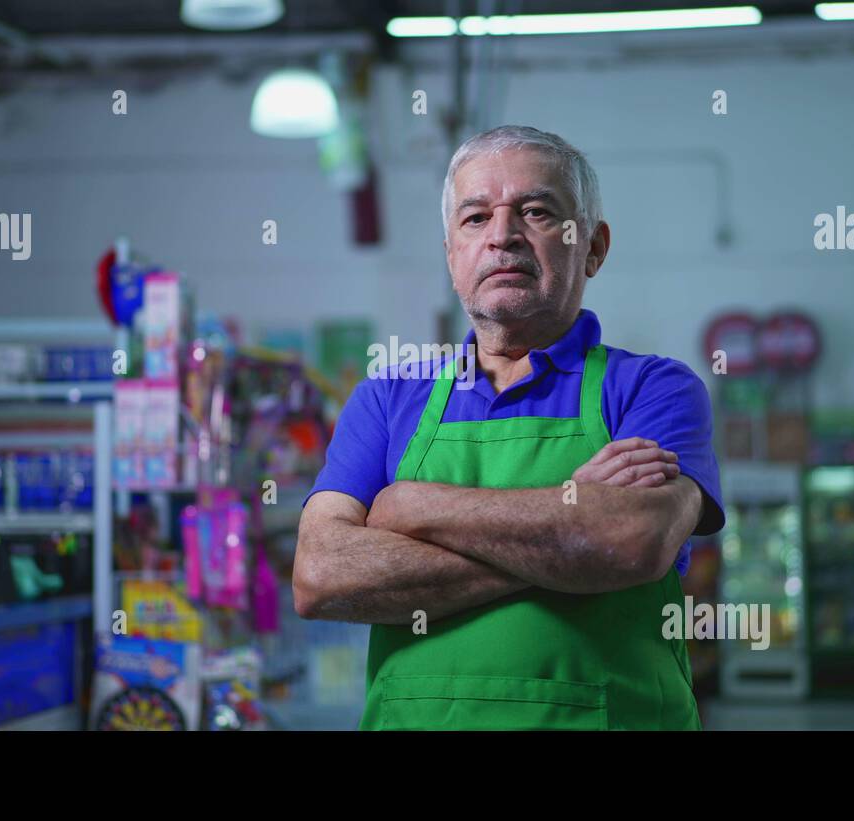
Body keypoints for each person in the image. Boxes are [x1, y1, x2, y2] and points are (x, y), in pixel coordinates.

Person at [294, 125, 725, 730]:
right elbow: (321, 576)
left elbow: (632, 542)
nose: (502, 235)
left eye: (536, 211)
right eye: (475, 218)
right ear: (452, 256)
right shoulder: (387, 398)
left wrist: (412, 505)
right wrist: (571, 542)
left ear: (594, 247)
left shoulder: (655, 389)